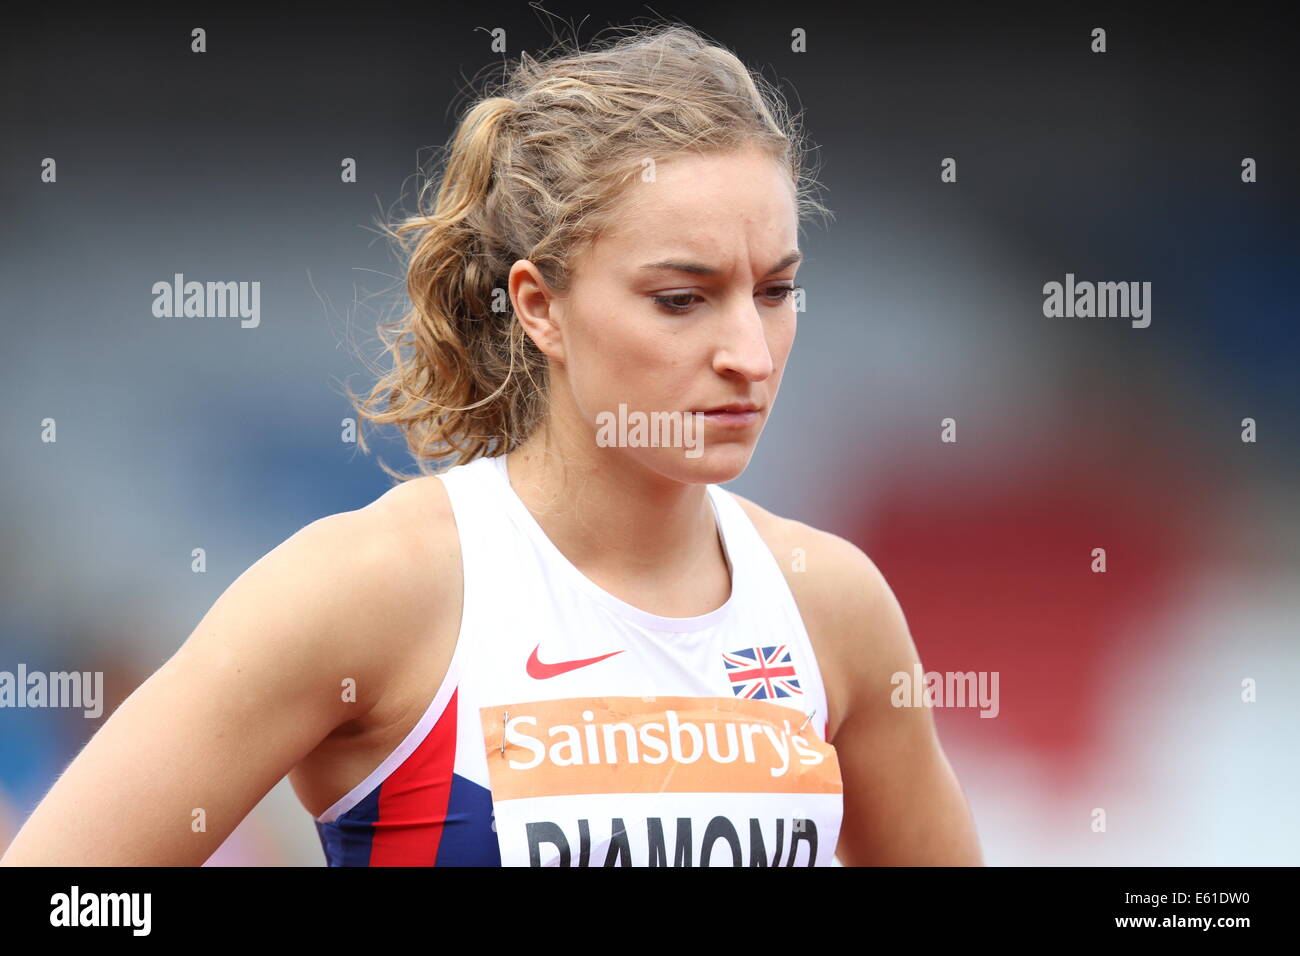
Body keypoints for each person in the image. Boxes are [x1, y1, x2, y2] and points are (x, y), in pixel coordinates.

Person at [0, 23, 982, 867]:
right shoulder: (371, 588)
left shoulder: (830, 604)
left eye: (773, 290)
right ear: (540, 306)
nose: (746, 352)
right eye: (680, 298)